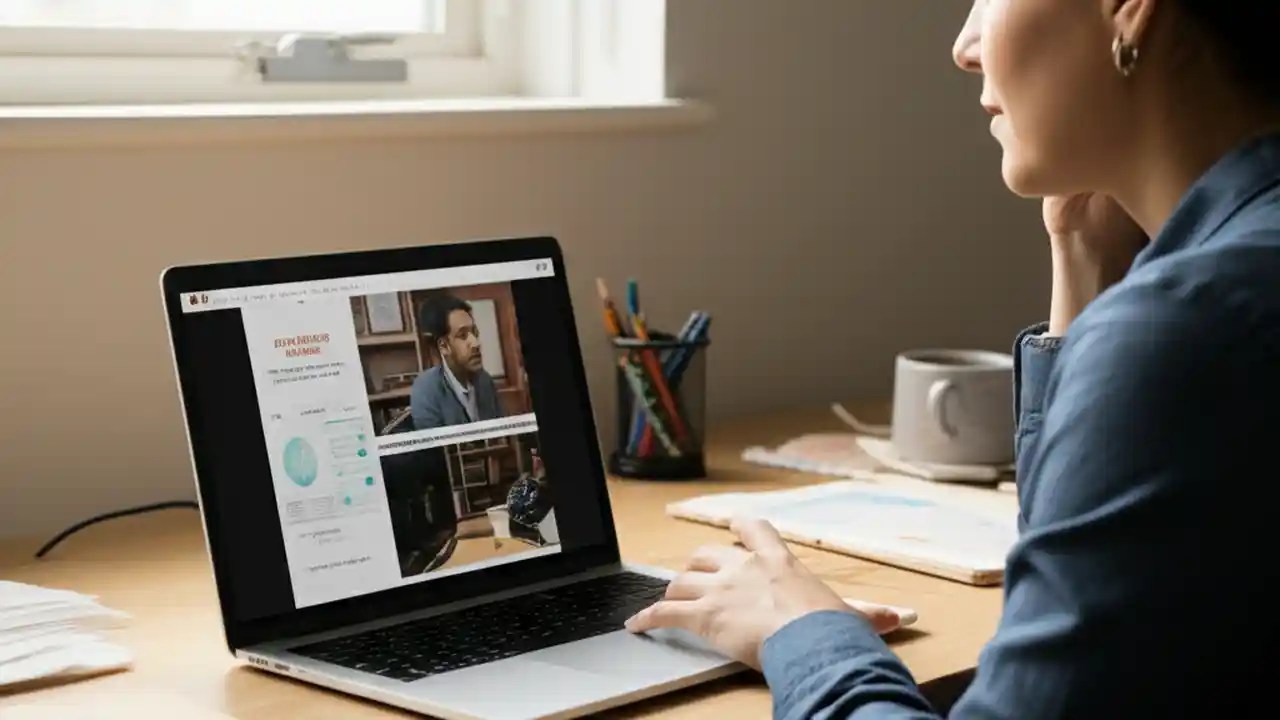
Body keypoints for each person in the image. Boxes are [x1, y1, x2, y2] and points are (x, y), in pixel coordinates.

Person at [625, 1, 1280, 717]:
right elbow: (1076, 574)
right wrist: (1085, 261)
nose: (965, 45)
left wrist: (804, 631)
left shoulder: (1184, 335)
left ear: (1130, 11)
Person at [410, 294, 505, 430]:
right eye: (462, 335)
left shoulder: (485, 381)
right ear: (443, 346)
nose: (475, 343)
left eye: (475, 333)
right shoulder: (426, 390)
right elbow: (435, 449)